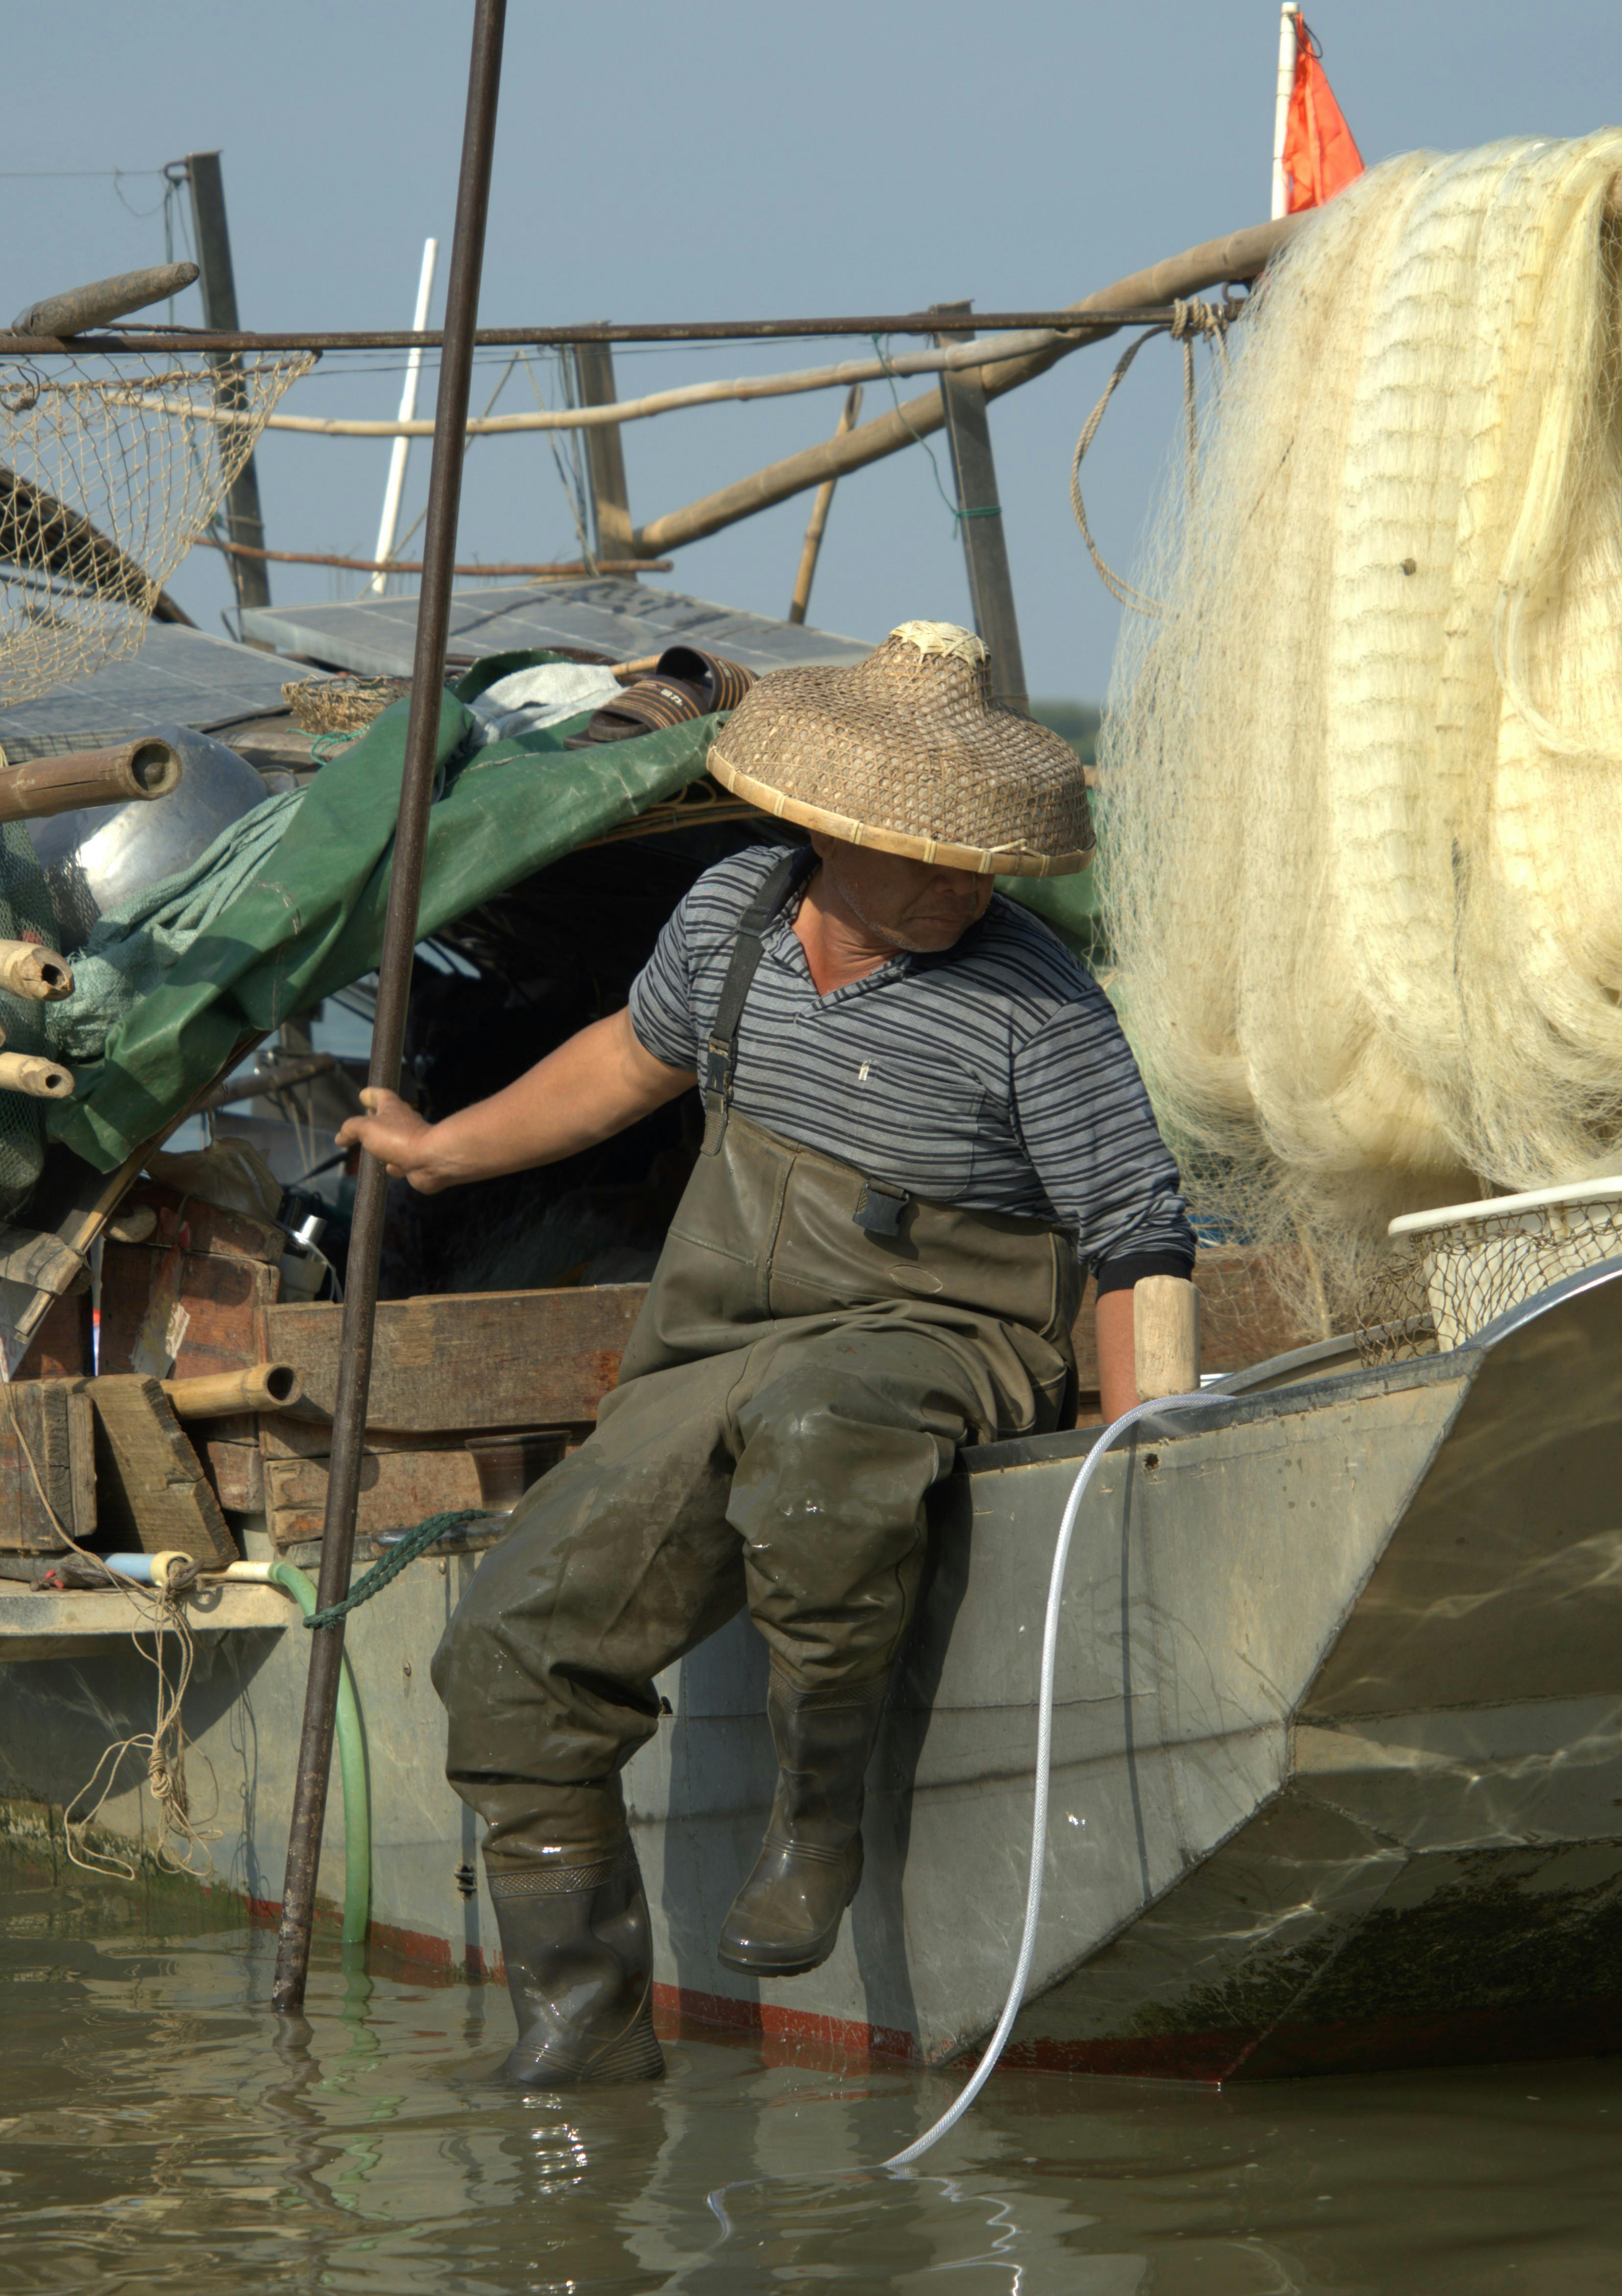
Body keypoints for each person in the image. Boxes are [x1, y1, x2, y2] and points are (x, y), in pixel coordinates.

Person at [337, 621, 1196, 2085]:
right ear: (828, 833)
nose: (958, 882)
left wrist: (1157, 1453)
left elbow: (1138, 1234)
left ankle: (818, 1819)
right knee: (508, 1639)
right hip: (715, 1349)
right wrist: (440, 1152)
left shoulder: (1038, 1005)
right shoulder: (733, 917)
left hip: (941, 1339)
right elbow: (626, 1064)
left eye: (979, 856)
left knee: (818, 1431)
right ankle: (585, 2025)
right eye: (923, 852)